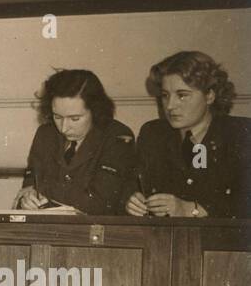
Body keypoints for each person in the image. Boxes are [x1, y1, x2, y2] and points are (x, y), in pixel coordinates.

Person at [127, 51, 251, 219]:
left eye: (182, 95)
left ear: (209, 96)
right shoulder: (153, 133)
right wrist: (131, 200)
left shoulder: (241, 134)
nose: (170, 106)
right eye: (165, 96)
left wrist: (193, 210)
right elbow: (129, 184)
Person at [13, 69, 136, 214]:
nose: (64, 128)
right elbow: (29, 186)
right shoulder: (45, 135)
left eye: (75, 119)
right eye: (57, 117)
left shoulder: (118, 137)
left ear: (95, 111)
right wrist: (26, 200)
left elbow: (100, 203)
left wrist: (42, 192)